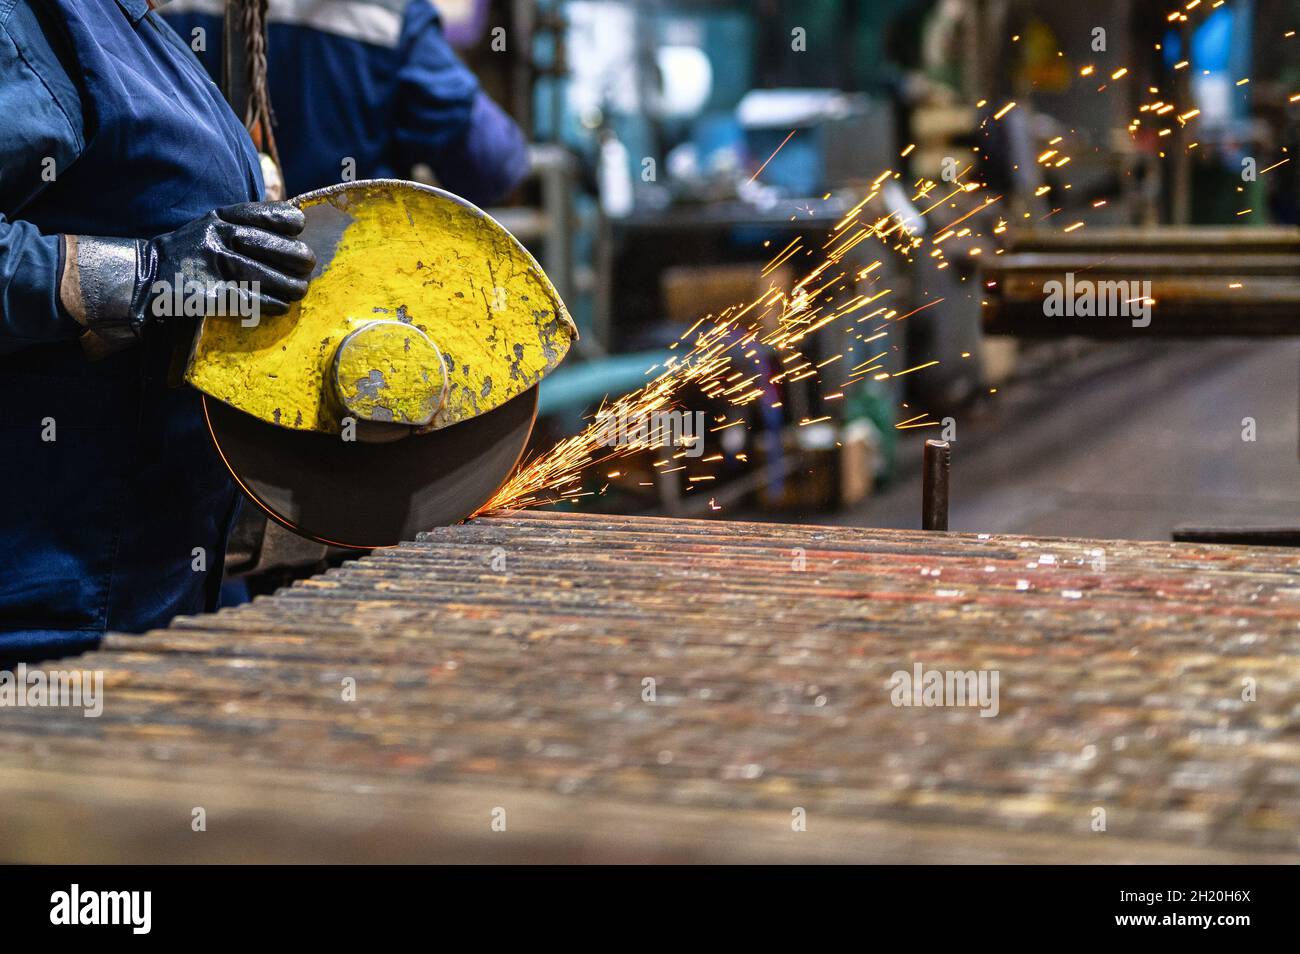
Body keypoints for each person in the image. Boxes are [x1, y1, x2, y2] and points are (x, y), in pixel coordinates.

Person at [0, 0, 315, 661]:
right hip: (48, 616)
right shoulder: (34, 20)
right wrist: (143, 276)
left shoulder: (127, 24)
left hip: (157, 592)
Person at [160, 0, 531, 205]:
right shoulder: (387, 11)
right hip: (344, 299)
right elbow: (492, 163)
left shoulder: (138, 7)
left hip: (191, 303)